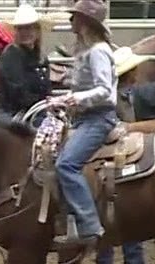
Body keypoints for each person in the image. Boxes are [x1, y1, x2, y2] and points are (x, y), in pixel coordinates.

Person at [49, 0, 118, 249]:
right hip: (85, 116)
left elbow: (105, 91)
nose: (71, 21)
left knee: (66, 164)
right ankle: (67, 222)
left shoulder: (98, 51)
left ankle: (89, 225)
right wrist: (62, 99)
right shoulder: (87, 50)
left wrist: (73, 98)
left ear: (86, 23)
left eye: (75, 17)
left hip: (98, 118)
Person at [0, 4, 52, 117]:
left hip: (36, 110)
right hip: (14, 112)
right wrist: (44, 104)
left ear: (37, 31)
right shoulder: (11, 55)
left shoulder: (41, 56)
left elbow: (46, 87)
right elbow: (17, 92)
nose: (24, 32)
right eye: (20, 28)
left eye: (29, 28)